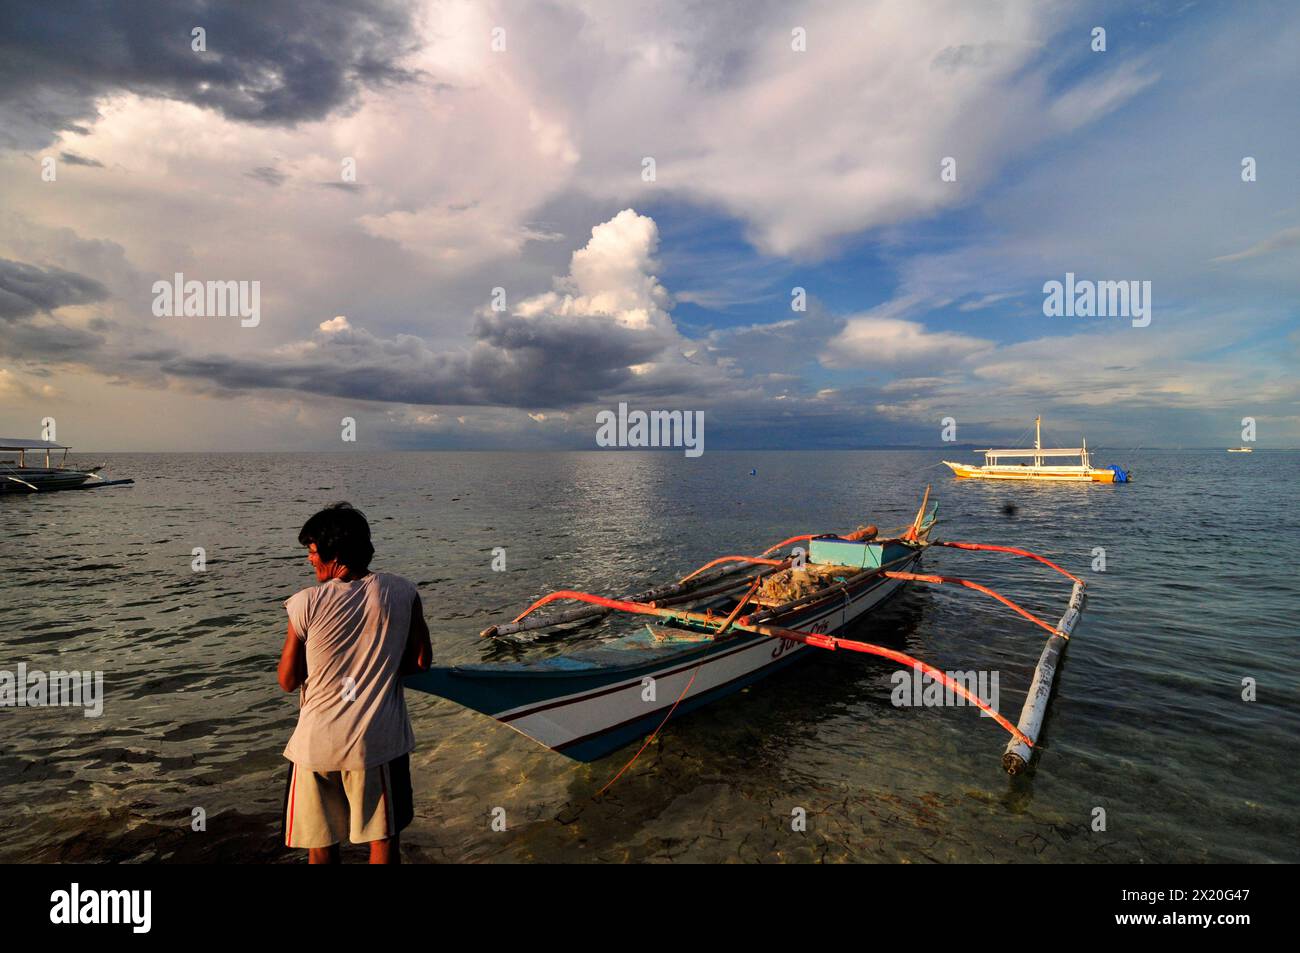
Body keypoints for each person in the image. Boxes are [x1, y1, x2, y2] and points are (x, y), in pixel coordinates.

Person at [277, 502, 432, 864]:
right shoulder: (403, 592)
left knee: (322, 845)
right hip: (374, 744)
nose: (309, 560)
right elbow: (421, 662)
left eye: (313, 552)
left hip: (314, 747)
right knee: (381, 843)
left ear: (335, 553)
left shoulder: (304, 603)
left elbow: (287, 680)